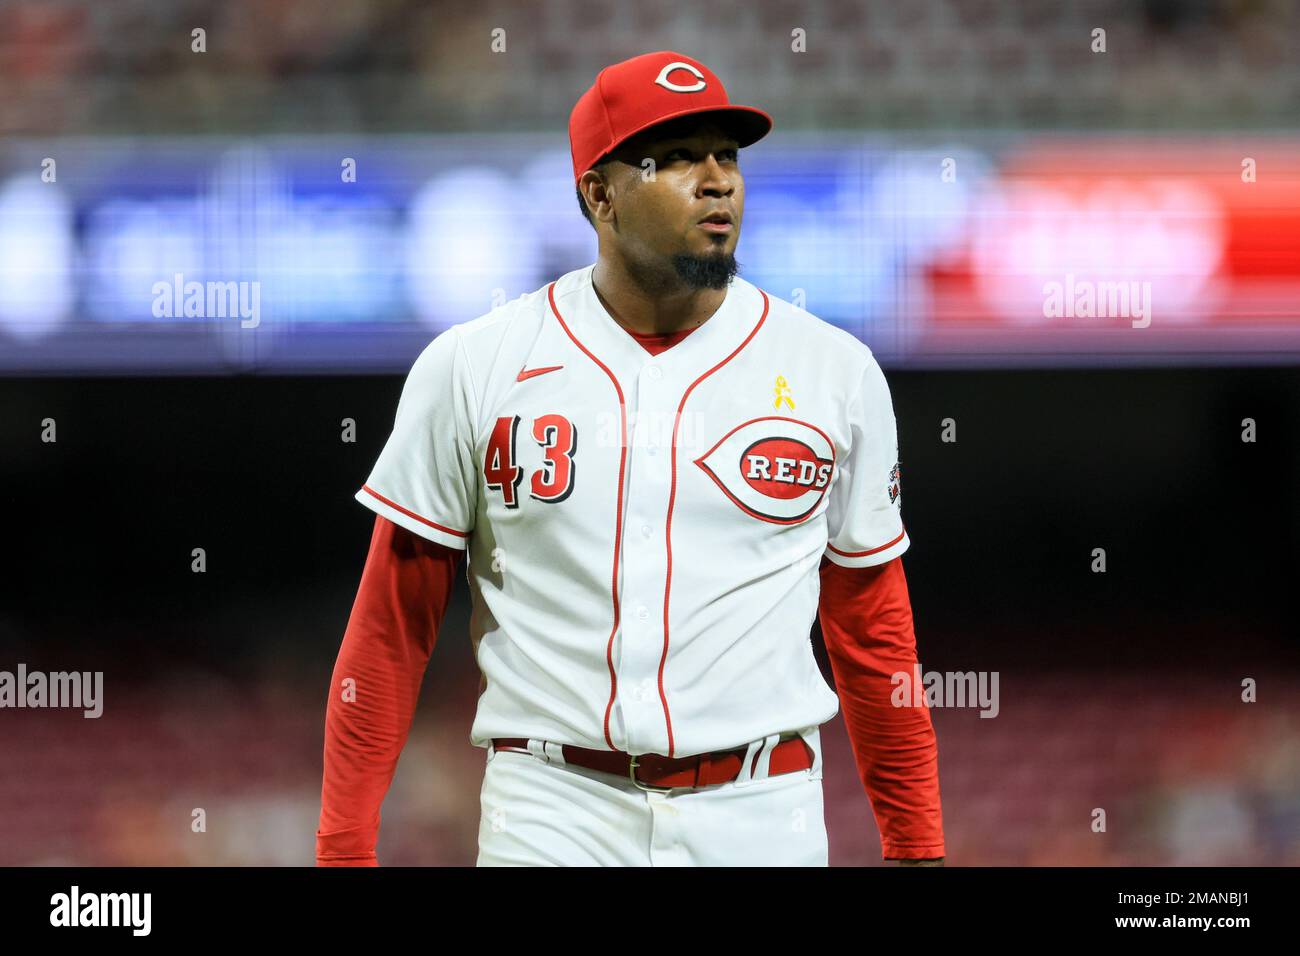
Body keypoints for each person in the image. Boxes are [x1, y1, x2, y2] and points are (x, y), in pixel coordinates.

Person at [317, 50, 944, 867]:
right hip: (552, 809)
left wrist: (918, 847)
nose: (715, 179)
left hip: (762, 810)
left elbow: (873, 632)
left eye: (726, 155)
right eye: (676, 157)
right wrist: (342, 847)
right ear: (598, 193)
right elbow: (390, 628)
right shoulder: (474, 365)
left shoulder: (835, 370)